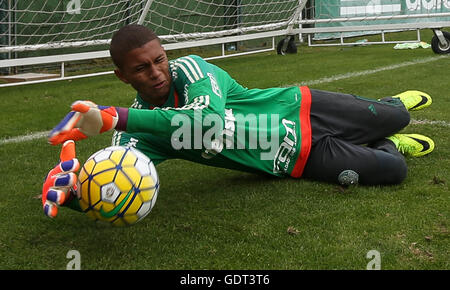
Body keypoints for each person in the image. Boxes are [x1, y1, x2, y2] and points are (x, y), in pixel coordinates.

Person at [41, 24, 435, 218]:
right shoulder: (140, 134)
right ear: (122, 76)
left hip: (305, 107)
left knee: (397, 115)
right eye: (141, 69)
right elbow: (116, 181)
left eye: (159, 60)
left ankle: (388, 111)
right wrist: (75, 194)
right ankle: (384, 144)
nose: (157, 72)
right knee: (394, 169)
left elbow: (205, 120)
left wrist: (115, 118)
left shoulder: (192, 70)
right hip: (294, 158)